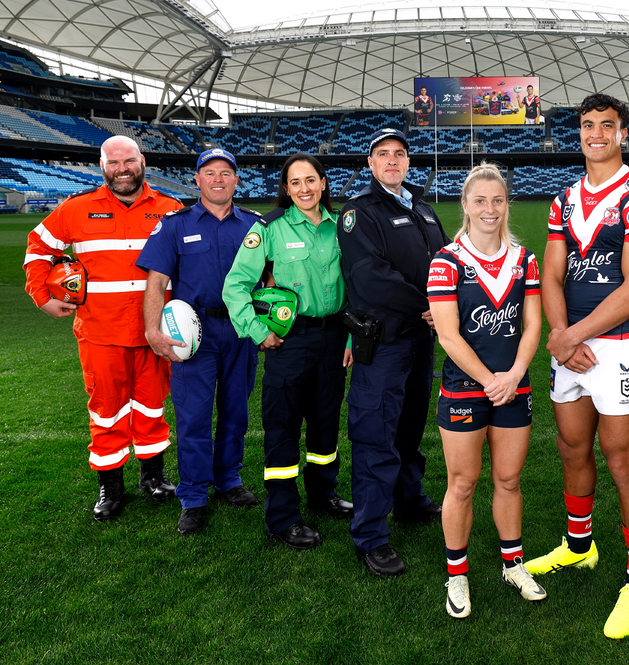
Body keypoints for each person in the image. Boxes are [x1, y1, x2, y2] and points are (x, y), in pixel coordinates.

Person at [525, 93, 629, 640]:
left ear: (622, 133)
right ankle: (579, 547)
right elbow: (553, 275)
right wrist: (563, 340)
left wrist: (568, 336)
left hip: (620, 346)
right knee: (572, 448)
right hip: (572, 348)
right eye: (588, 125)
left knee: (622, 461)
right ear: (579, 133)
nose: (596, 134)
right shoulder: (564, 199)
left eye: (607, 125)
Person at [23, 135, 182, 521]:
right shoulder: (76, 209)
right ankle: (110, 488)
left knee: (150, 407)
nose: (122, 169)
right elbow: (38, 249)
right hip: (100, 333)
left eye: (128, 161)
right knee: (106, 412)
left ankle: (153, 477)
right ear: (102, 166)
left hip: (154, 331)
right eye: (113, 163)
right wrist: (41, 295)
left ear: (142, 161)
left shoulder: (171, 209)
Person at [428, 163, 547, 618]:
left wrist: (514, 373)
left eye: (497, 200)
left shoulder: (525, 259)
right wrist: (490, 380)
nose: (490, 209)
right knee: (462, 483)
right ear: (465, 205)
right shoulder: (447, 261)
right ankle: (457, 574)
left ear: (507, 204)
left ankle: (512, 564)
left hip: (513, 386)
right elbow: (449, 336)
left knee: (509, 480)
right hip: (464, 388)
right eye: (480, 201)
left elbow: (533, 323)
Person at [222, 152, 353, 551]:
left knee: (325, 424)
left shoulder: (342, 229)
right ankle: (282, 516)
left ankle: (322, 493)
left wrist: (350, 337)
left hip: (334, 340)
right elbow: (235, 286)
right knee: (282, 429)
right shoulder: (270, 229)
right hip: (289, 341)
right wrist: (258, 332)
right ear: (286, 189)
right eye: (295, 183)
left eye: (310, 180)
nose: (304, 189)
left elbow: (358, 285)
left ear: (324, 183)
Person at [338, 128, 450, 577]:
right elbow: (370, 277)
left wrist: (443, 306)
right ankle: (370, 534)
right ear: (370, 164)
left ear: (408, 161)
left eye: (399, 154)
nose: (391, 161)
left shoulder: (422, 208)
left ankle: (408, 498)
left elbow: (446, 262)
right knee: (375, 433)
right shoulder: (360, 212)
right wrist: (429, 305)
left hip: (421, 339)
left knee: (408, 425)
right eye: (382, 154)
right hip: (383, 341)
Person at [137, 148, 262, 535]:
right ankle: (192, 495)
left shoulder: (256, 225)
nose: (219, 179)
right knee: (193, 417)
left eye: (226, 173)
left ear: (236, 180)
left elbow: (271, 279)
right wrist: (152, 330)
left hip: (242, 330)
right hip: (194, 334)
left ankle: (228, 479)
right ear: (198, 179)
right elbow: (155, 282)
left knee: (235, 412)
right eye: (210, 173)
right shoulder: (174, 224)